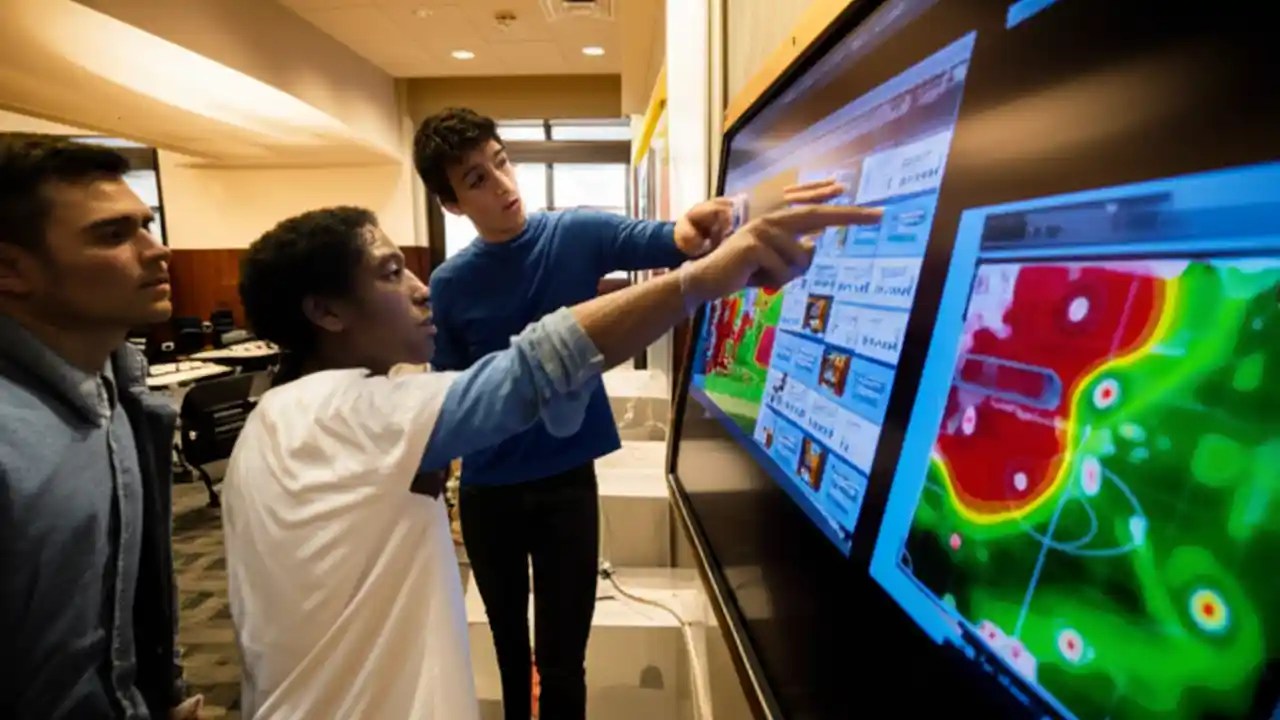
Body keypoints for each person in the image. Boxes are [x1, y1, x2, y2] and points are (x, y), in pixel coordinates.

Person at [222, 197, 878, 720]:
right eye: (392, 273)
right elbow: (531, 369)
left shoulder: (284, 419)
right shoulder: (341, 416)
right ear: (325, 311)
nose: (423, 291)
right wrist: (700, 282)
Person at [412, 107, 743, 719]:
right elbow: (448, 394)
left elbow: (665, 238)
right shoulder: (450, 284)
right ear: (453, 204)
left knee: (565, 657)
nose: (503, 184)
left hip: (567, 487)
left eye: (500, 162)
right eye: (476, 179)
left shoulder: (576, 233)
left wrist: (693, 233)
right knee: (510, 649)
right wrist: (433, 479)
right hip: (490, 493)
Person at [0, 135, 201, 719]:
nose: (157, 250)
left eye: (146, 224)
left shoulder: (115, 390)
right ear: (10, 269)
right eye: (113, 235)